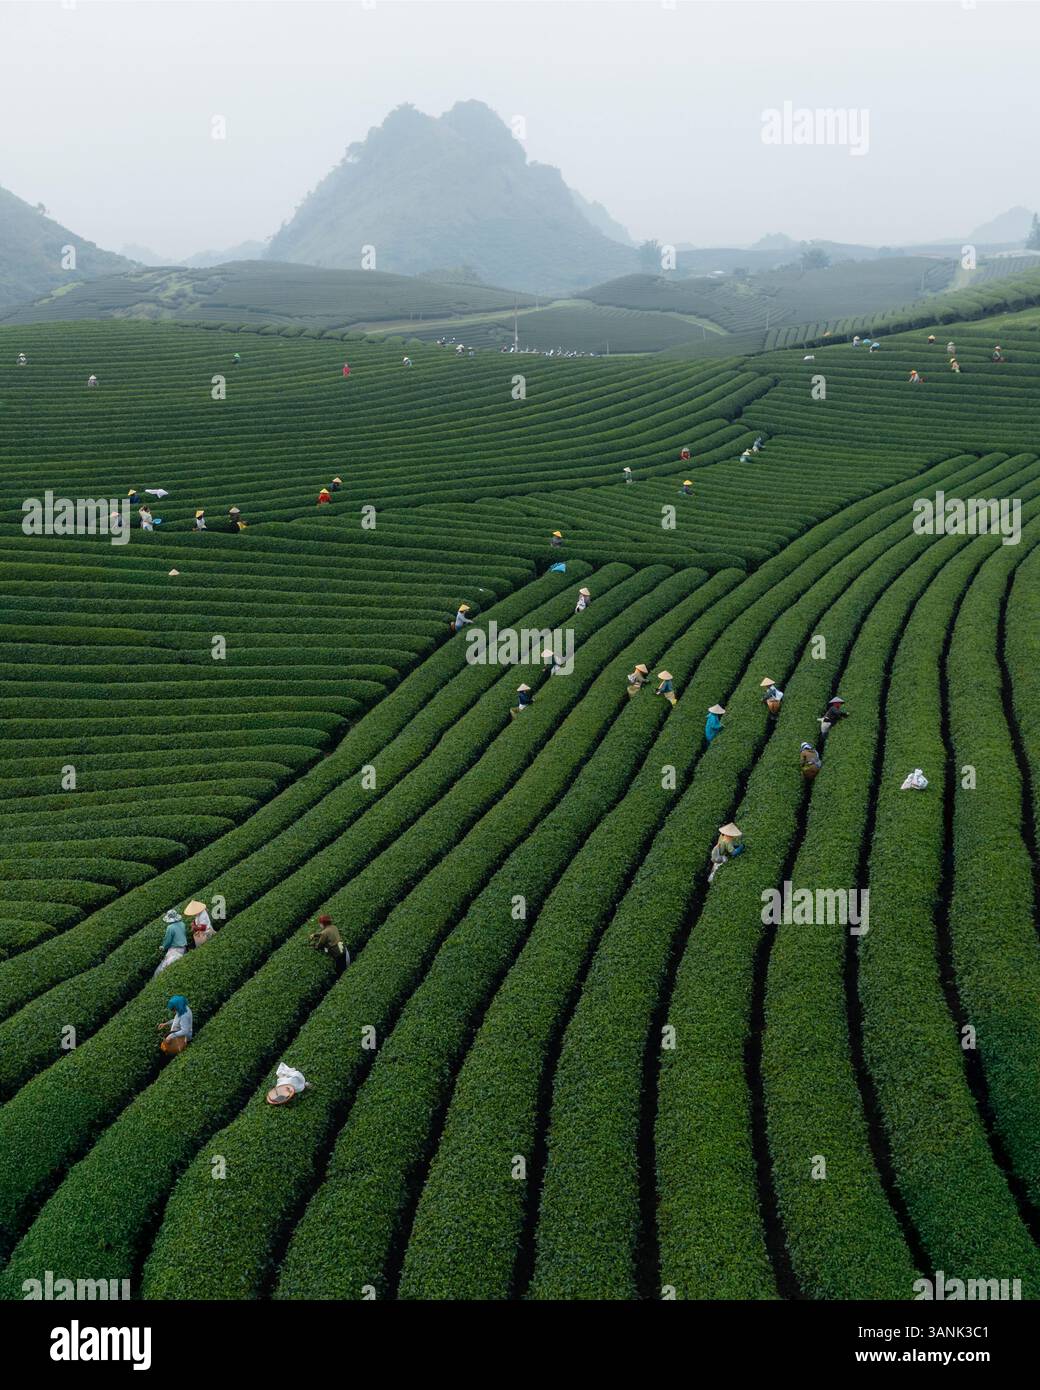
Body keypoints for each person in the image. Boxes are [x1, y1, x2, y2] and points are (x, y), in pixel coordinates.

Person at [154, 909, 188, 976]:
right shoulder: (182, 924)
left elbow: (167, 940)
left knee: (162, 970)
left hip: (175, 951)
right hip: (184, 948)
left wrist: (163, 947)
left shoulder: (170, 927)